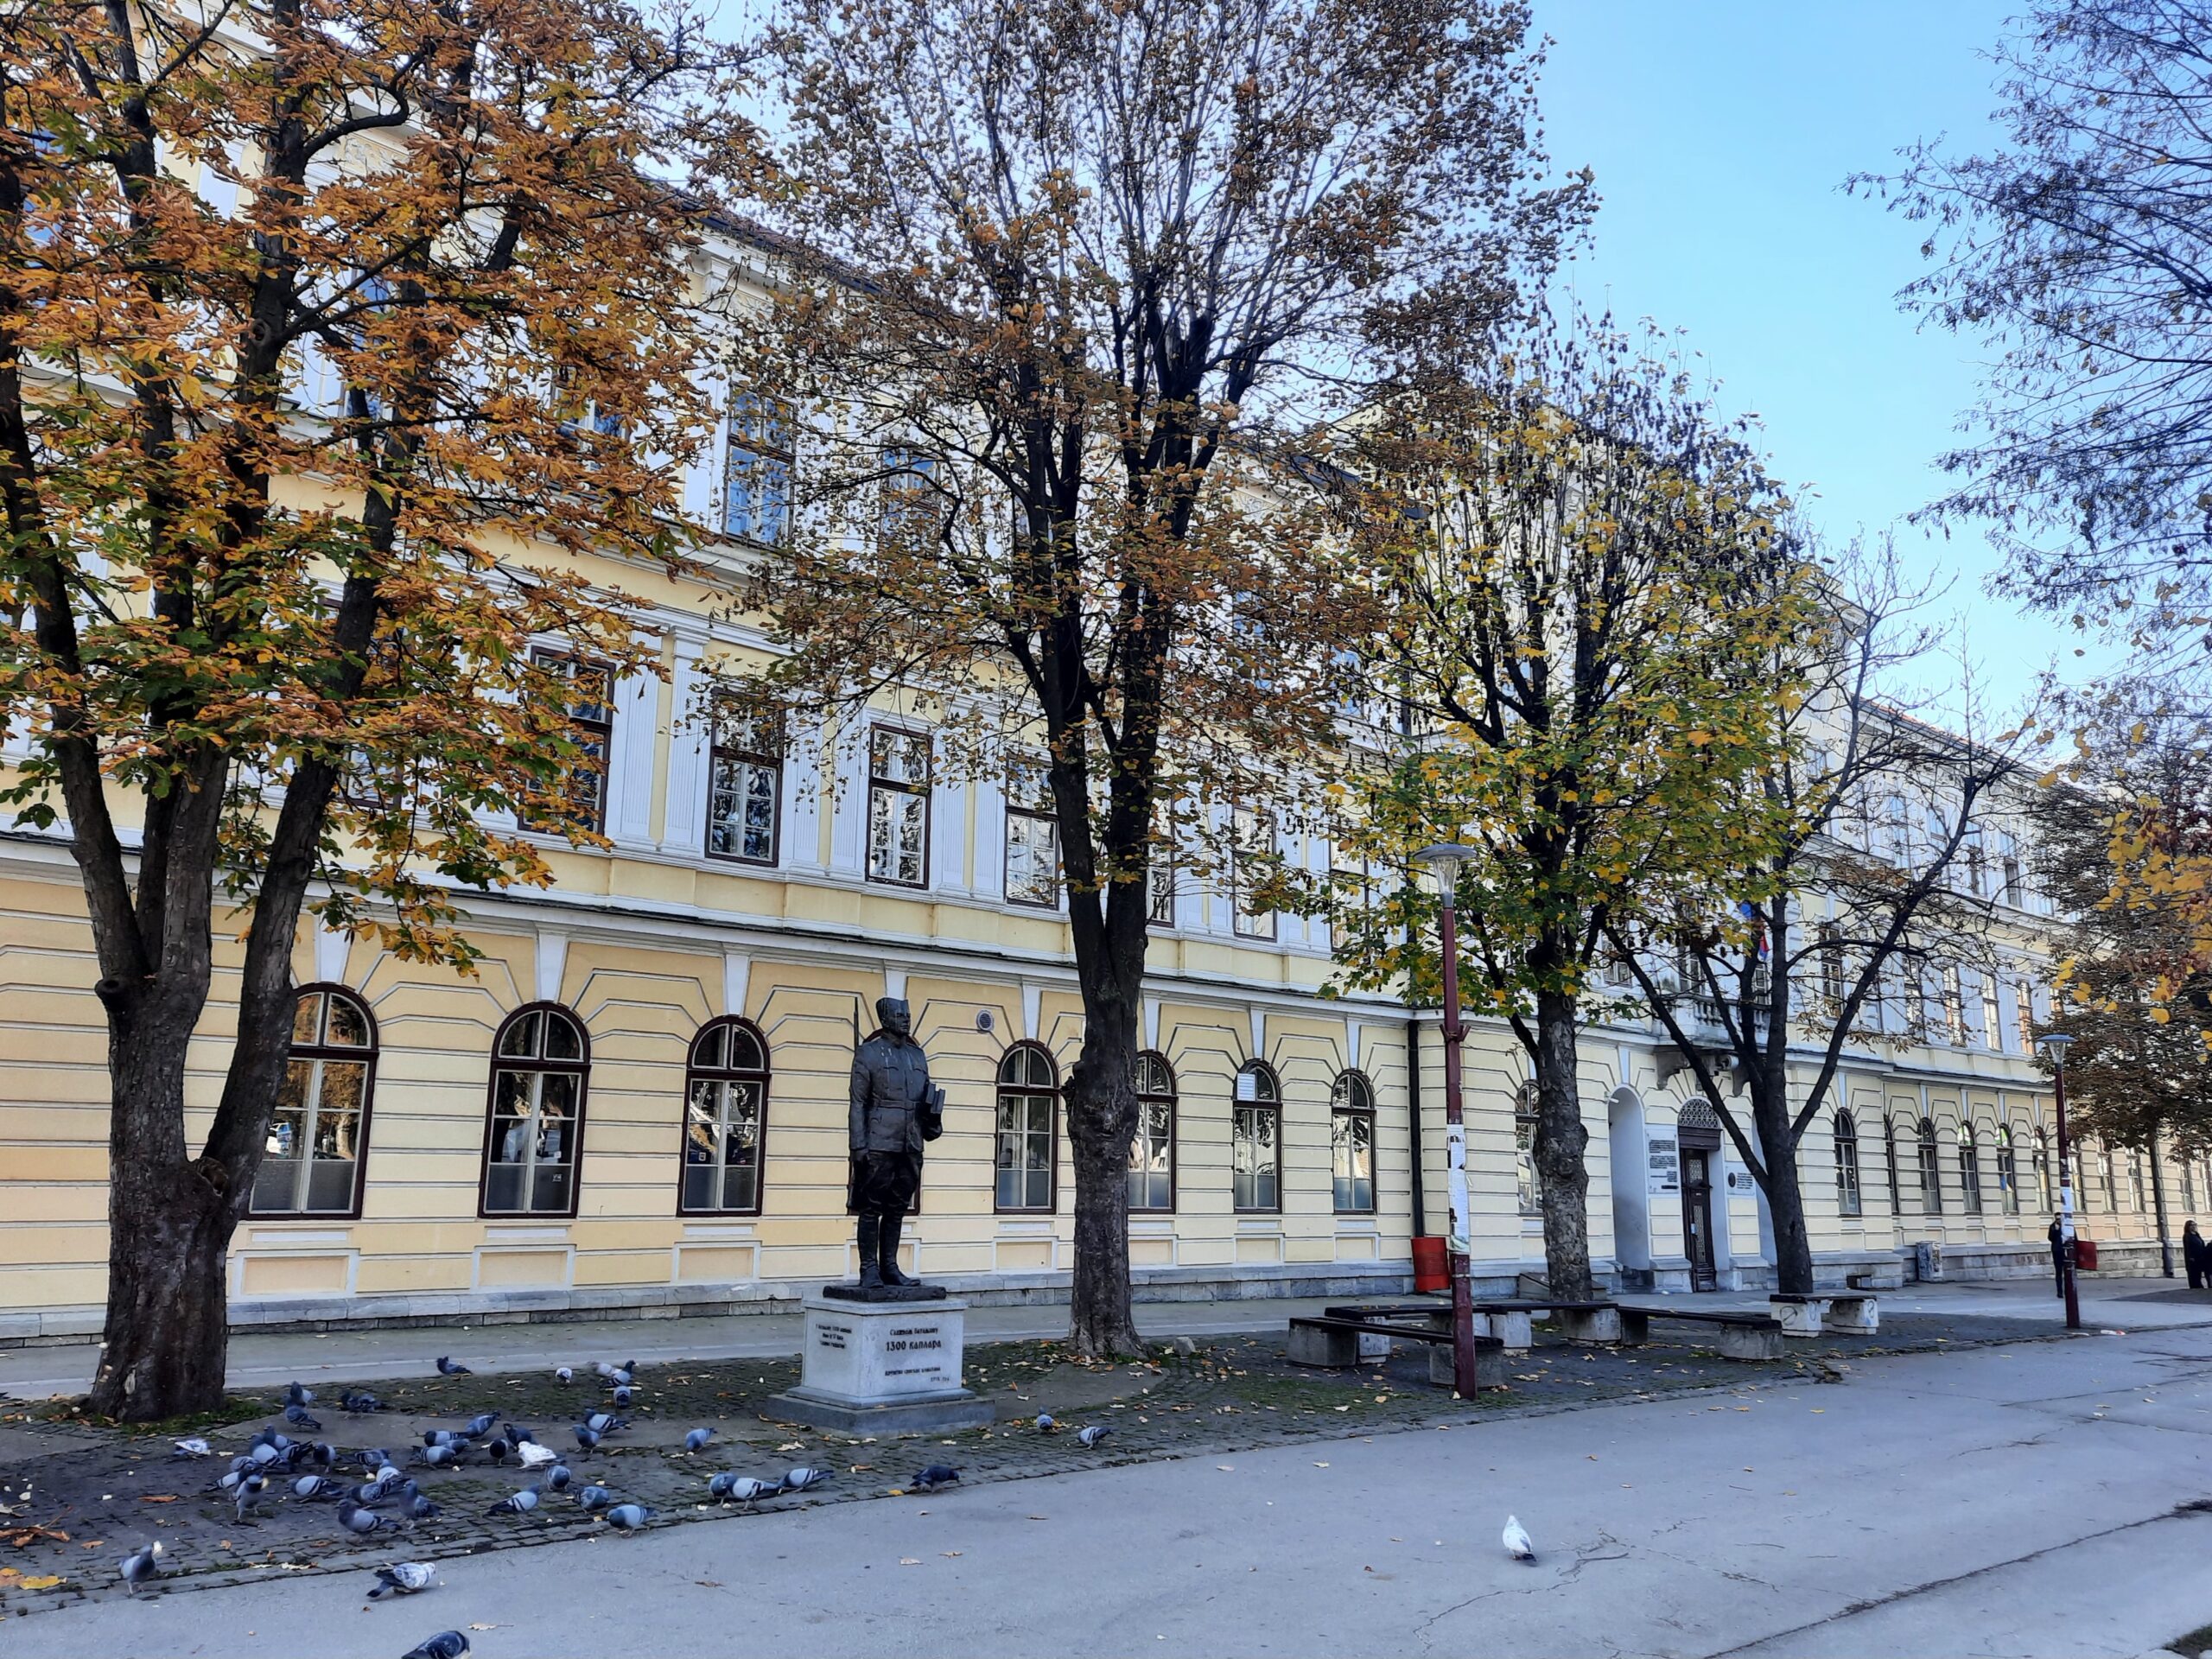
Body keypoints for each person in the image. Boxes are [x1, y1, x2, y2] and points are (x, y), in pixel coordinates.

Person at [2048, 1214, 2069, 1300]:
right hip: (2057, 1251)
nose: (2059, 1221)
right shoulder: (2053, 1227)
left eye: (2060, 1219)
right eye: (2057, 1219)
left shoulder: (2067, 1226)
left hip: (2066, 1251)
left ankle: (2068, 1290)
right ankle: (2059, 1292)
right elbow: (2050, 1238)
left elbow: (2073, 1236)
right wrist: (2056, 1230)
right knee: (2059, 1272)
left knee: (2068, 1272)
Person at [2185, 1219, 2207, 1291]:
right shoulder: (2187, 1235)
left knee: (2199, 1273)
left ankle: (2198, 1285)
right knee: (2193, 1274)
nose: (2194, 1226)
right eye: (2192, 1225)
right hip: (2193, 1259)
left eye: (2195, 1225)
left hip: (2200, 1257)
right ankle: (2195, 1286)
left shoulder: (2197, 1235)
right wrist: (2190, 1257)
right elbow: (2188, 1247)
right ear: (2188, 1227)